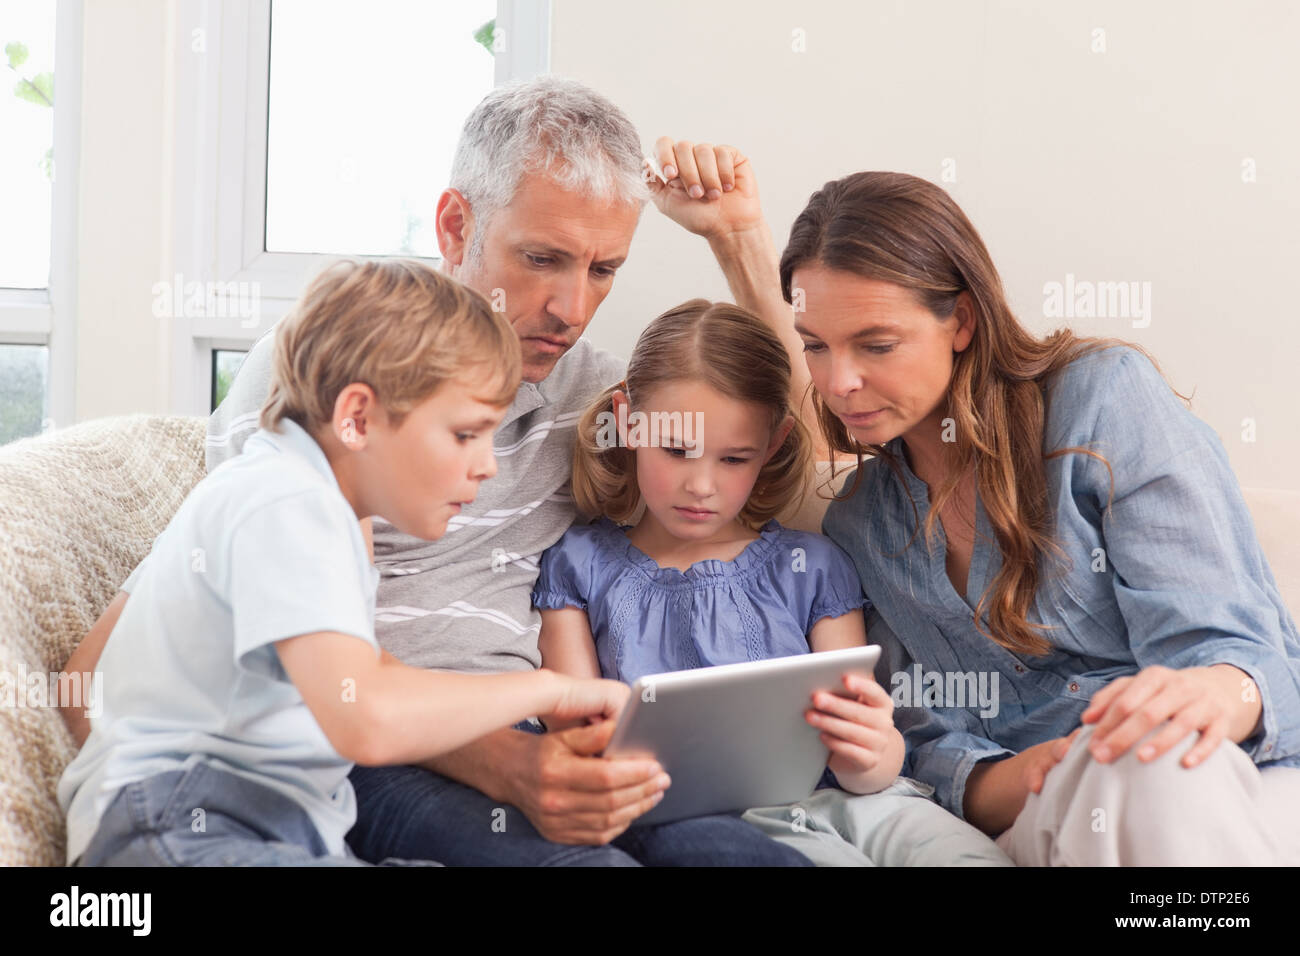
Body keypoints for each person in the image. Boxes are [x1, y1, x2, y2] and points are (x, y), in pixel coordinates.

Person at [59, 76, 815, 866]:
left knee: (736, 855)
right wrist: (517, 750)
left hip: (492, 741)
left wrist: (738, 240)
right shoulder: (327, 390)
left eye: (604, 270)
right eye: (543, 258)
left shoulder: (605, 402)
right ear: (457, 226)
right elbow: (207, 647)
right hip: (389, 758)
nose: (572, 307)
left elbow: (798, 459)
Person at [777, 169, 1300, 865]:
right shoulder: (862, 521)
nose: (838, 381)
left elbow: (1248, 661)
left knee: (1153, 761)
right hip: (1048, 812)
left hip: (1209, 779)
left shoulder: (1102, 403)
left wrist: (1213, 693)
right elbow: (922, 745)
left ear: (961, 320)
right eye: (814, 344)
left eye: (876, 344)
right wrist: (1028, 774)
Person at [57, 258, 634, 866]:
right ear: (357, 418)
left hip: (278, 831)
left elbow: (363, 677)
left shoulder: (320, 503)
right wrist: (546, 690)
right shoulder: (284, 501)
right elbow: (366, 720)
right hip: (184, 826)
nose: (487, 464)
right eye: (466, 434)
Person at [533, 298, 1015, 865]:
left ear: (775, 443)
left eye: (734, 458)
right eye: (676, 449)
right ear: (628, 422)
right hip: (709, 824)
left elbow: (870, 757)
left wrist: (872, 752)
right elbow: (573, 732)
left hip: (847, 802)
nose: (701, 485)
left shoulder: (814, 566)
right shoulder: (579, 565)